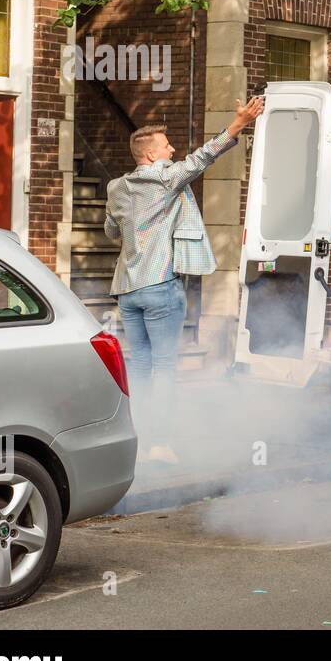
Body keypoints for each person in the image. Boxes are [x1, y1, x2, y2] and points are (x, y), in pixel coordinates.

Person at [104, 97, 265, 463]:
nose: (173, 150)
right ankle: (159, 444)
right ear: (149, 156)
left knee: (140, 368)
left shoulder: (116, 187)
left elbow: (112, 230)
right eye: (166, 146)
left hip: (128, 290)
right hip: (160, 286)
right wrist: (239, 121)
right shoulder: (164, 178)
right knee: (164, 368)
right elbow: (204, 156)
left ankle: (138, 442)